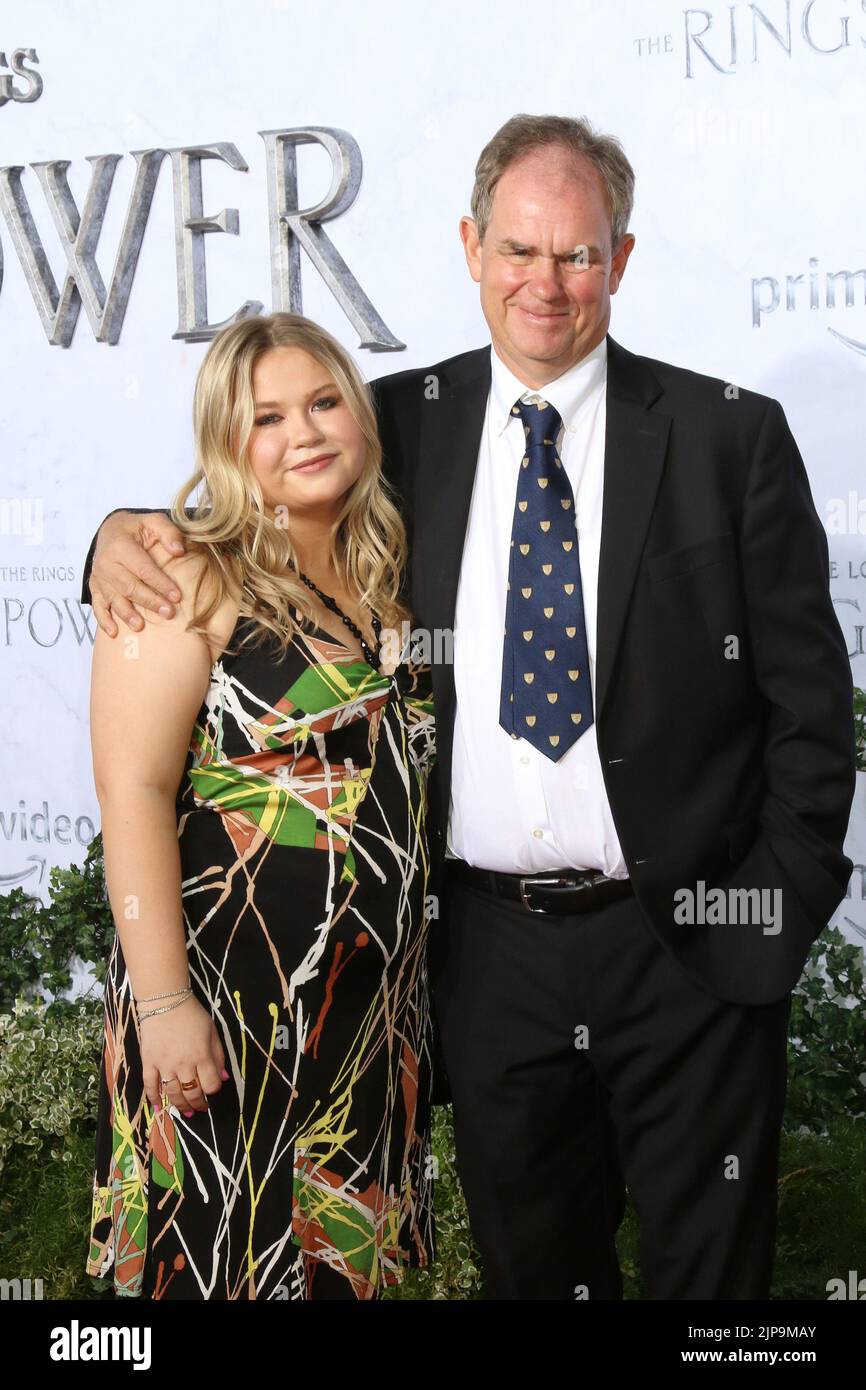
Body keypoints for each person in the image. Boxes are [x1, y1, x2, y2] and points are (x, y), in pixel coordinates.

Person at [81, 114, 857, 1300]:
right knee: (533, 1271)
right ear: (468, 246)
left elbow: (811, 707)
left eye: (576, 255)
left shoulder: (725, 437)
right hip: (485, 960)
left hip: (687, 950)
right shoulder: (396, 421)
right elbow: (253, 481)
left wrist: (768, 915)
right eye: (517, 251)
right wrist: (112, 537)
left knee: (715, 1291)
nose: (544, 284)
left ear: (621, 260)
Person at [84, 311, 437, 1300]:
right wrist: (162, 1007)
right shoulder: (187, 574)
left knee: (325, 1276)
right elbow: (135, 791)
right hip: (221, 1007)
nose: (305, 432)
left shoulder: (389, 571)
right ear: (227, 446)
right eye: (266, 418)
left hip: (360, 1021)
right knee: (205, 1270)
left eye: (323, 401)